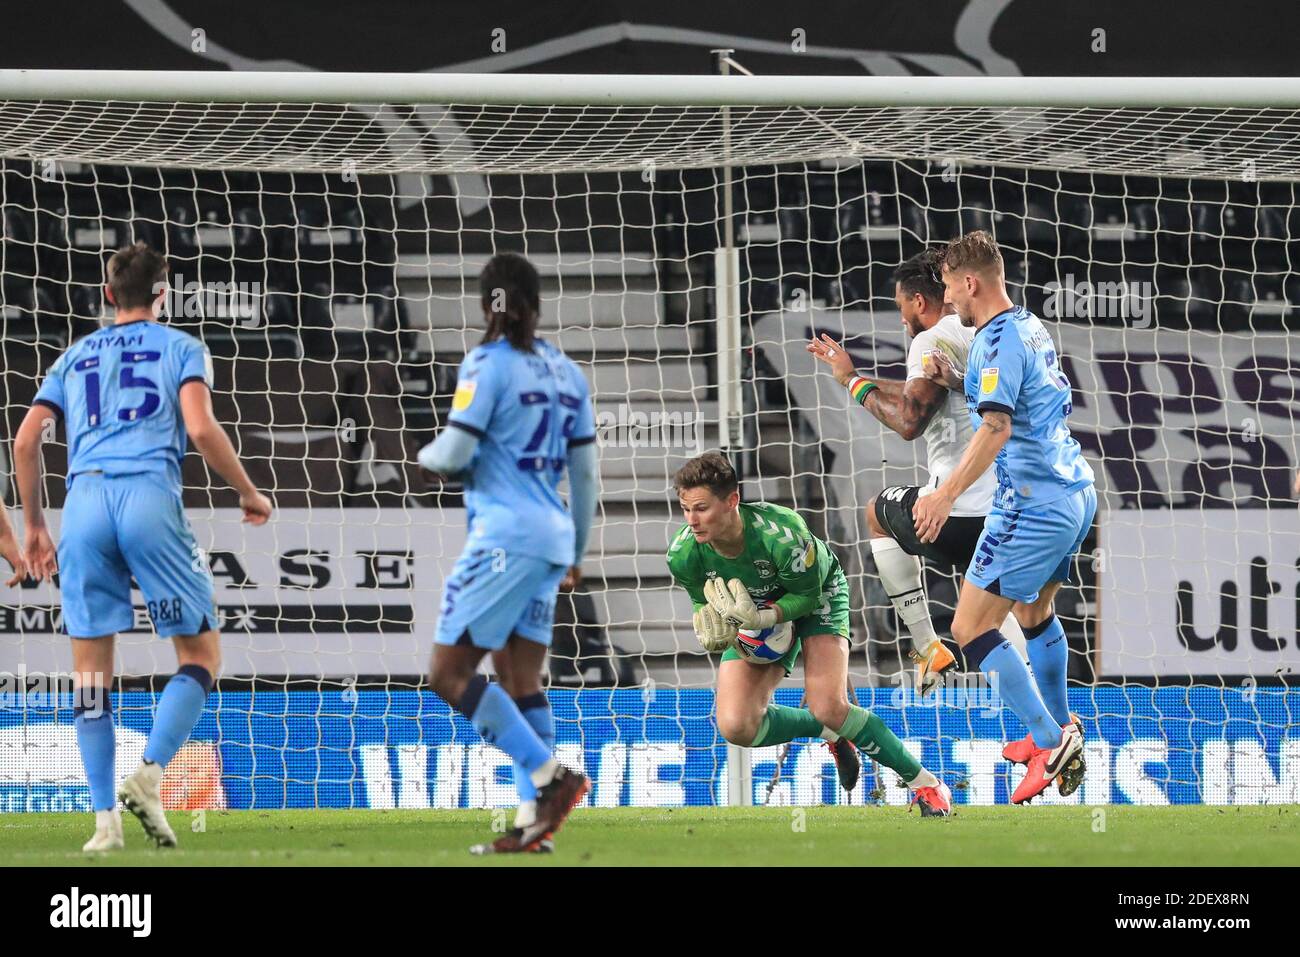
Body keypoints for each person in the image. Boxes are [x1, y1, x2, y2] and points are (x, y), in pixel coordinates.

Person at [13, 242, 273, 850]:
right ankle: (150, 775)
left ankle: (104, 824)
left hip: (82, 505)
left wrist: (33, 527)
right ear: (164, 293)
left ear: (108, 295)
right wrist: (249, 493)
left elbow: (26, 443)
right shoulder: (182, 347)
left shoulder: (73, 357)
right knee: (202, 655)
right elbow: (202, 428)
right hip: (148, 498)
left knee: (89, 676)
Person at [419, 252, 599, 854]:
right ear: (537, 303)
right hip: (550, 539)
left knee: (448, 673)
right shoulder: (566, 373)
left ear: (485, 304)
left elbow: (451, 455)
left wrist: (421, 454)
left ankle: (551, 777)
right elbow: (588, 477)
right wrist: (575, 551)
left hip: (503, 540)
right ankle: (533, 824)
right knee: (521, 678)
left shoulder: (485, 364)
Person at [912, 230, 1095, 804]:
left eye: (949, 289)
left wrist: (944, 496)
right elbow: (1018, 397)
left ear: (971, 282)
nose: (948, 302)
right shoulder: (1026, 326)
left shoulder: (993, 340)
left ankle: (1049, 740)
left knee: (970, 629)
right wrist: (958, 381)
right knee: (1034, 610)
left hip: (1032, 504)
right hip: (1074, 493)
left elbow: (996, 427)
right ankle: (1063, 725)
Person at [668, 451, 951, 816]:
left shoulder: (781, 535)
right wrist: (712, 627)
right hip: (754, 615)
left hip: (816, 596)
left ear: (732, 501)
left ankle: (927, 785)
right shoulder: (683, 555)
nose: (692, 520)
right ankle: (829, 733)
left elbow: (807, 596)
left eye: (701, 508)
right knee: (736, 725)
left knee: (830, 705)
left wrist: (765, 616)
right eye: (686, 508)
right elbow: (702, 604)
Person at [807, 248, 1027, 695]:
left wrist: (852, 383)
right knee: (999, 619)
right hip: (1009, 510)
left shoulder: (928, 341)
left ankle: (928, 647)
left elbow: (911, 420)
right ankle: (1044, 730)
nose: (902, 319)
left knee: (875, 514)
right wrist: (854, 374)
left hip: (952, 511)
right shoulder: (990, 334)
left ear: (919, 303)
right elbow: (931, 392)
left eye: (901, 308)